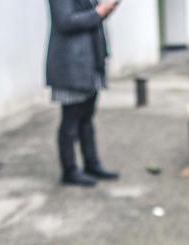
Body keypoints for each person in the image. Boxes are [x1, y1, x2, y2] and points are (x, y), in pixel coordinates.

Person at [46, 0, 122, 187]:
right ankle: (69, 170)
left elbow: (93, 16)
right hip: (71, 65)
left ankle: (92, 164)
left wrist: (105, 10)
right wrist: (100, 11)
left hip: (90, 62)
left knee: (87, 118)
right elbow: (65, 22)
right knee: (70, 120)